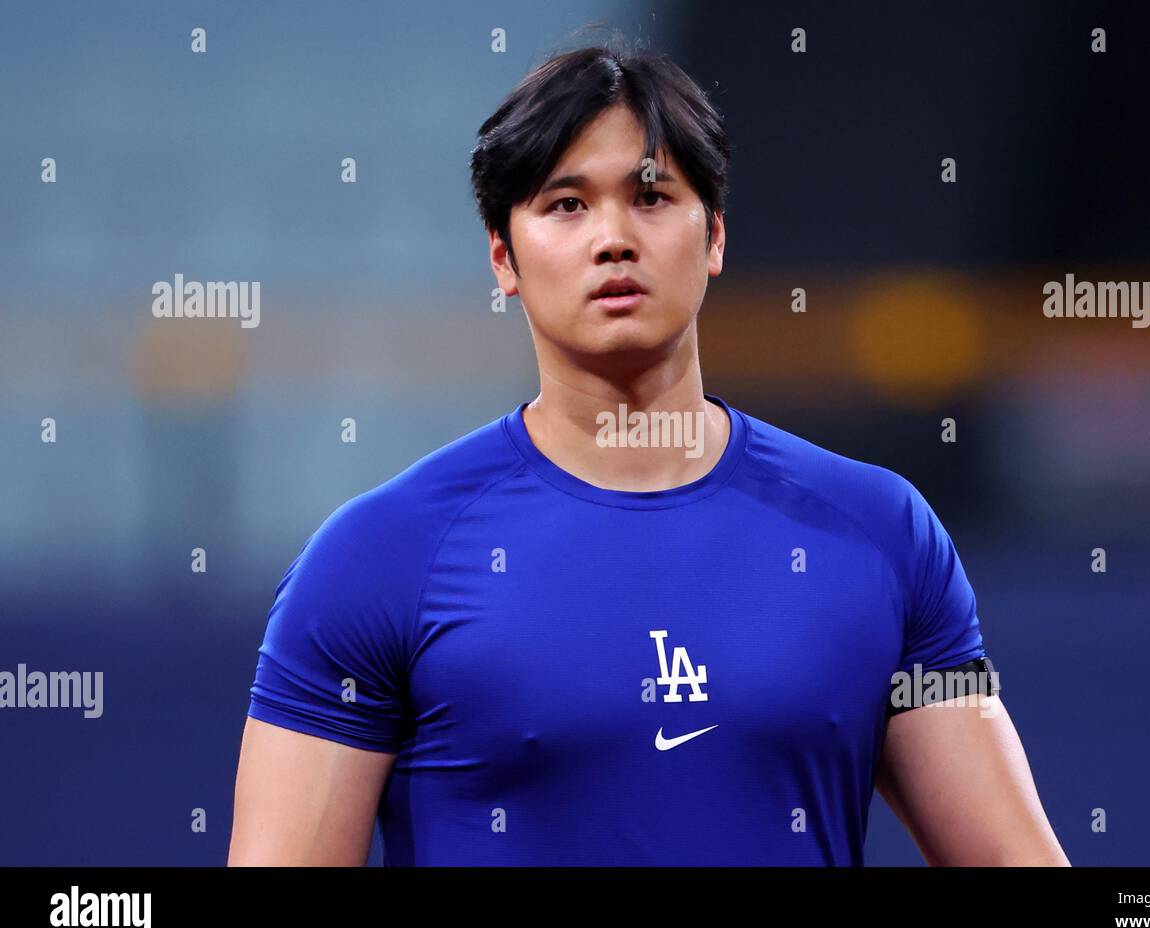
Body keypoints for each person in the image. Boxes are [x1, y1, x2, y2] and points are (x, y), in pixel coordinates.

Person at [228, 40, 1068, 866]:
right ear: (502, 258)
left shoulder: (883, 535)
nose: (614, 238)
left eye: (652, 197)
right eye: (566, 205)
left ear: (714, 238)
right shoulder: (376, 558)